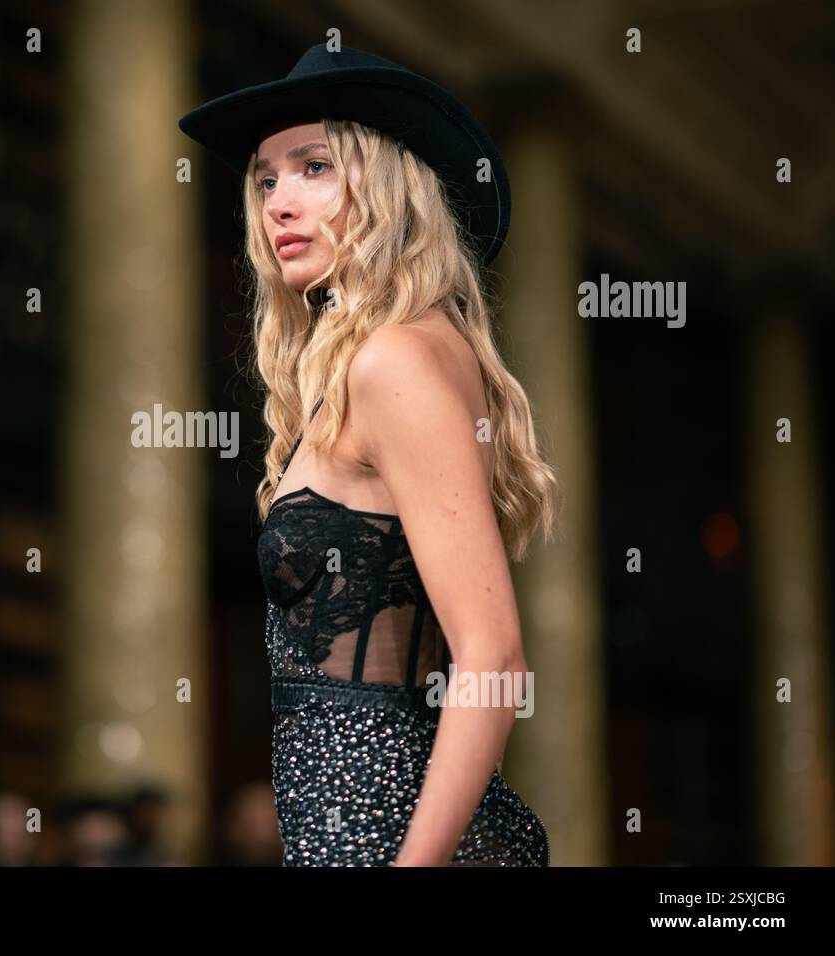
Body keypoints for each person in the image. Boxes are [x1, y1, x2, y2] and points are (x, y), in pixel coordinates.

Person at [180, 44, 561, 866]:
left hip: (390, 838)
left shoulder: (394, 361)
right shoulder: (390, 359)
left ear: (388, 187)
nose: (279, 201)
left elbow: (493, 656)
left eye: (314, 166)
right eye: (265, 177)